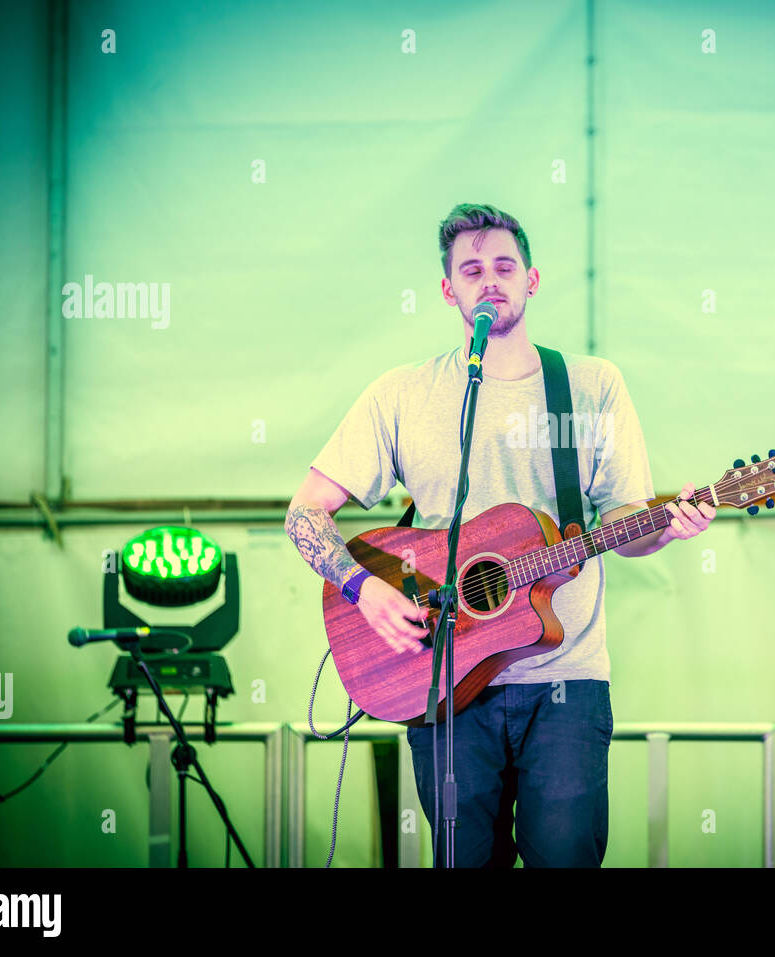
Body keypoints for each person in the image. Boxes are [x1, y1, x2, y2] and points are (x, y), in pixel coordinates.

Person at [285, 202, 714, 867]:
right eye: (472, 269)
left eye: (505, 266)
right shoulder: (401, 394)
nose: (490, 280)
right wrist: (363, 588)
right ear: (448, 289)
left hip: (565, 680)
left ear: (533, 280)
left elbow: (624, 529)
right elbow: (304, 511)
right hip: (440, 679)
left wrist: (666, 527)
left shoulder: (592, 387)